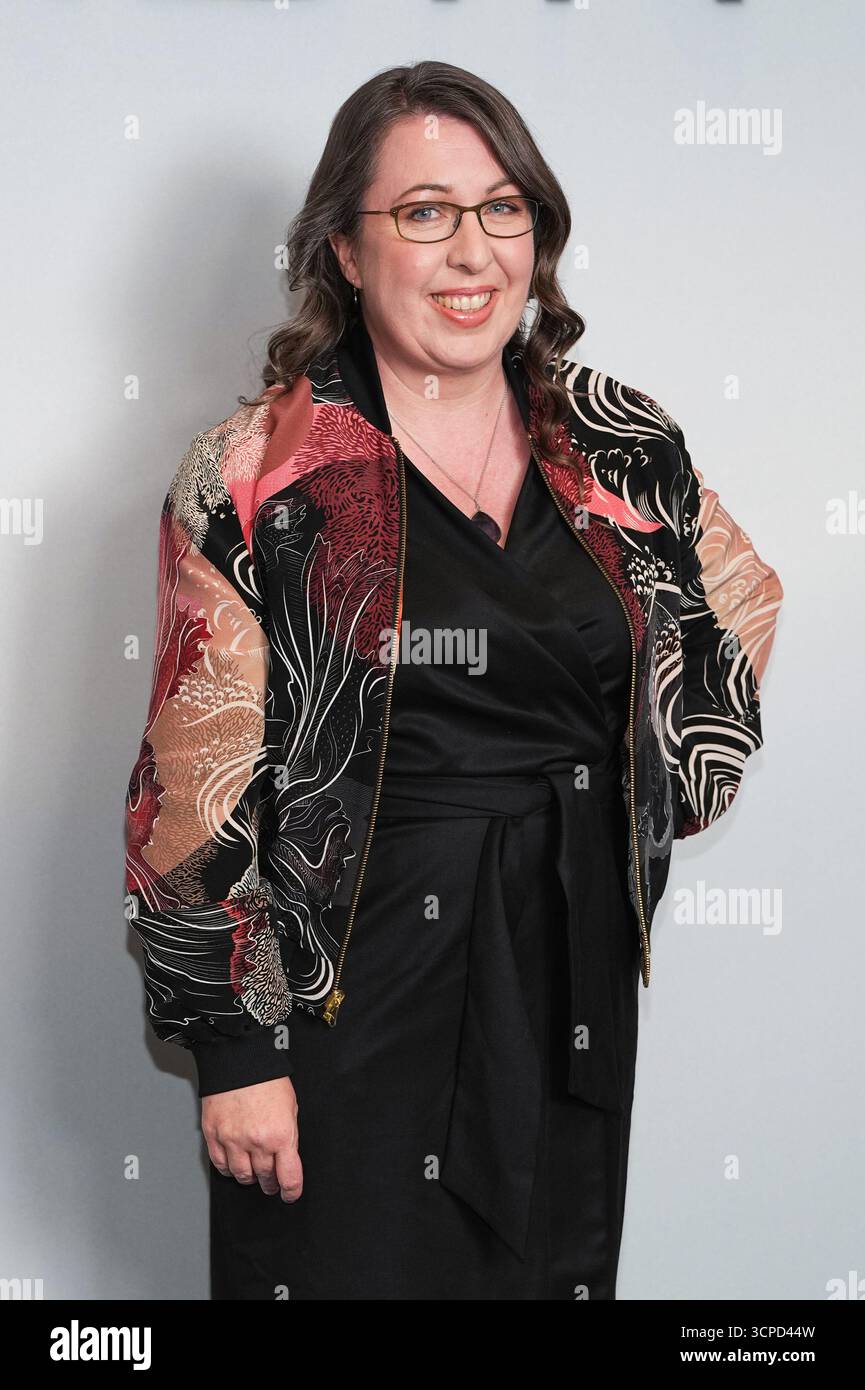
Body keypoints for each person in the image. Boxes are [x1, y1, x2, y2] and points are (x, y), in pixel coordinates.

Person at [123, 61, 784, 1301]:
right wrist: (235, 1046)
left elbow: (735, 614)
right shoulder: (262, 472)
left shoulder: (612, 441)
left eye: (502, 208)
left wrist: (638, 799)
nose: (470, 249)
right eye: (423, 212)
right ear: (344, 252)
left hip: (562, 968)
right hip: (340, 1002)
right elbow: (189, 791)